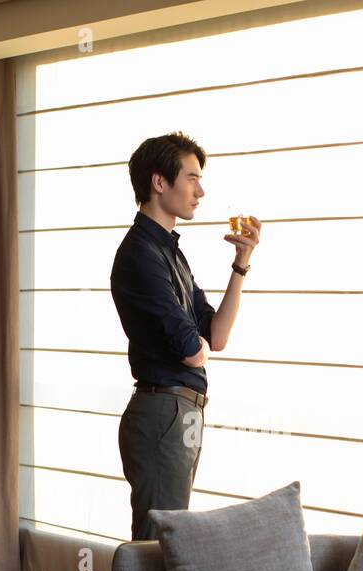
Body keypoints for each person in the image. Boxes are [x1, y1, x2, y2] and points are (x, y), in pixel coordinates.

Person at [111, 132, 260, 540]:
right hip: (164, 411)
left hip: (182, 412)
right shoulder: (140, 253)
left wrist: (241, 264)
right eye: (191, 178)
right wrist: (199, 347)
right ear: (159, 182)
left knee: (166, 546)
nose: (201, 191)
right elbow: (192, 350)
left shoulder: (170, 252)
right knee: (157, 550)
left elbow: (216, 336)